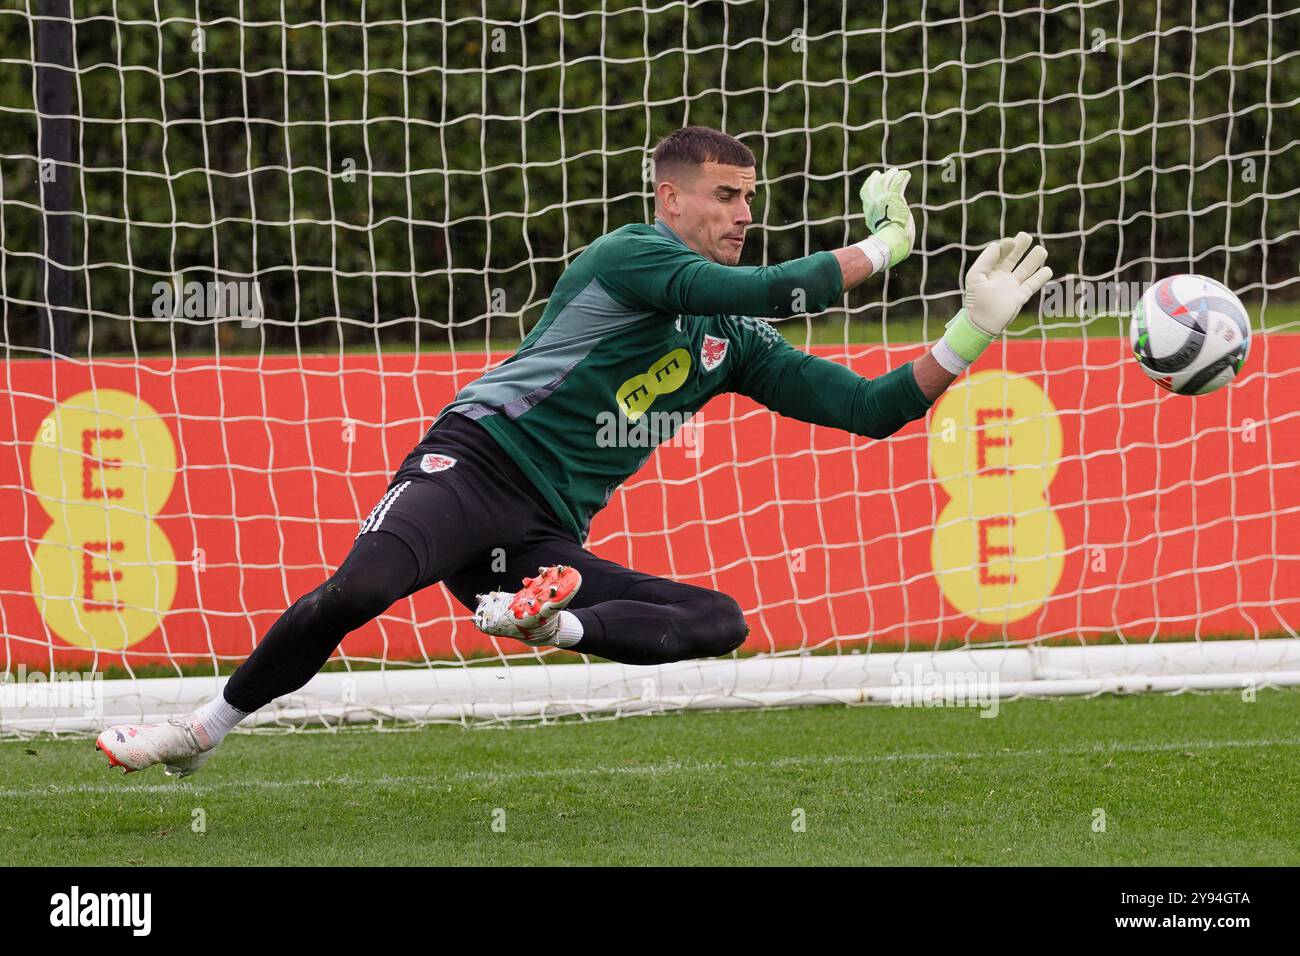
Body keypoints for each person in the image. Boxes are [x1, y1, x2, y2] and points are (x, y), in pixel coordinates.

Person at [95, 126, 1050, 776]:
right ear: (669, 199)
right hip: (474, 465)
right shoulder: (633, 257)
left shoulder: (732, 344)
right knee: (355, 595)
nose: (742, 213)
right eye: (724, 197)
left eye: (750, 198)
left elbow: (872, 409)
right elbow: (778, 288)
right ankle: (202, 730)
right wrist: (889, 243)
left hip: (540, 538)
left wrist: (969, 330)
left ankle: (545, 625)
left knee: (720, 620)